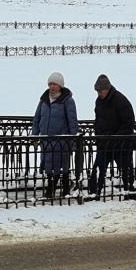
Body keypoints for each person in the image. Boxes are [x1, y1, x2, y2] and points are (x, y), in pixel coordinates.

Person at [89, 72, 136, 200]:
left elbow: (128, 122)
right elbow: (98, 121)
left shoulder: (120, 100)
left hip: (121, 143)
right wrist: (98, 136)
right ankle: (94, 193)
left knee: (126, 170)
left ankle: (130, 192)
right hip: (104, 143)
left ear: (107, 89)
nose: (99, 93)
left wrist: (116, 138)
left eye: (101, 91)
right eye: (98, 91)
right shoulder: (99, 102)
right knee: (98, 169)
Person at [32, 71, 79, 200]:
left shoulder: (67, 101)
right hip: (46, 140)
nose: (52, 87)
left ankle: (53, 190)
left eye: (55, 84)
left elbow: (72, 121)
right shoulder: (44, 100)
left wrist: (72, 139)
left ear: (60, 86)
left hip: (61, 141)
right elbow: (36, 119)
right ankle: (61, 188)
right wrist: (35, 136)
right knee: (49, 166)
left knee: (61, 166)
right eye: (50, 84)